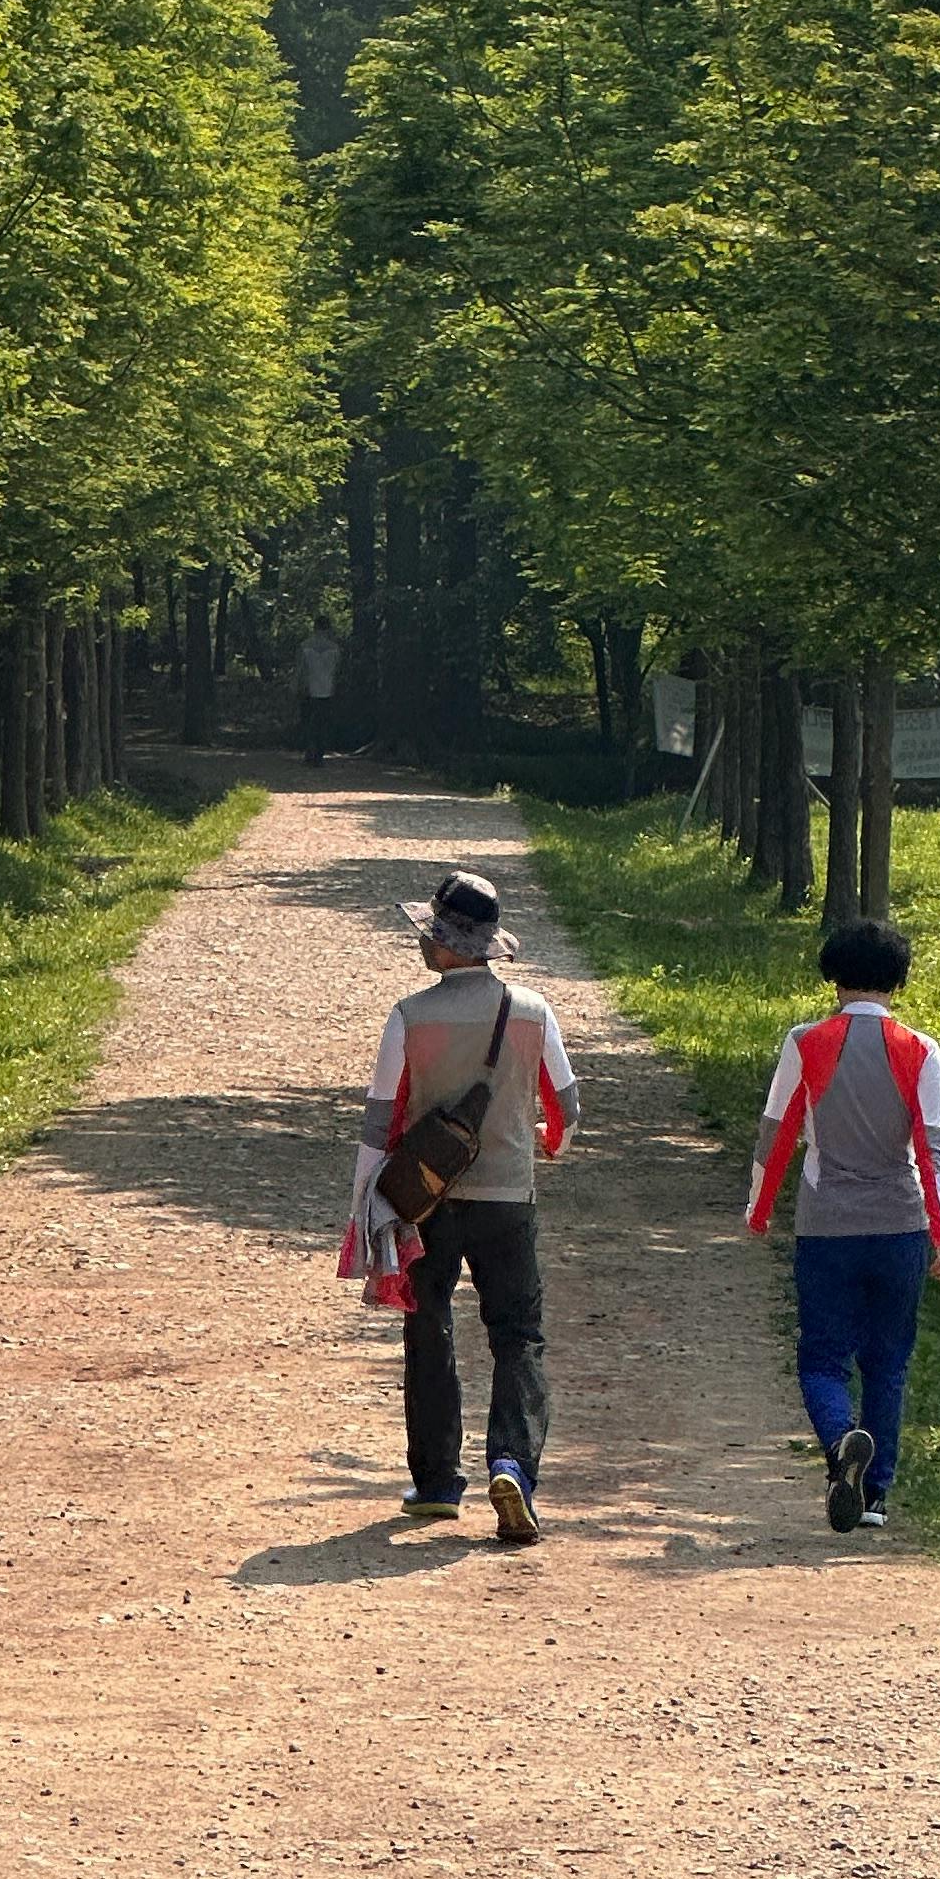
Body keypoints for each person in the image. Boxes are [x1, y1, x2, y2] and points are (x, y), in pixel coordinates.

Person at [342, 868, 579, 1541]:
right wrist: (544, 1142)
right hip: (508, 1199)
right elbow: (566, 1108)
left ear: (447, 944)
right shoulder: (533, 1011)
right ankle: (513, 1465)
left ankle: (437, 1483)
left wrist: (367, 1211)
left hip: (425, 1200)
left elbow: (380, 1122)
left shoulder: (408, 1017)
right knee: (518, 1334)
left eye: (429, 935)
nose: (422, 943)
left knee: (428, 1325)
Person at [745, 915, 940, 1531]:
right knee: (887, 1363)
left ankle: (842, 1441)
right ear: (898, 980)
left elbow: (777, 1130)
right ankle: (874, 1497)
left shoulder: (805, 1042)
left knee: (821, 1358)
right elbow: (935, 1147)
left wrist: (759, 1207)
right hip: (901, 1226)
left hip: (827, 1225)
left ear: (834, 976)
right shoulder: (920, 1049)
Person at [297, 620, 342, 765]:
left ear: (315, 628)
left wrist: (297, 686)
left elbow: (301, 670)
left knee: (308, 722)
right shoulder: (334, 648)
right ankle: (319, 754)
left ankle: (309, 751)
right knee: (323, 723)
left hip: (309, 690)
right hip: (327, 690)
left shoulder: (304, 646)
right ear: (328, 629)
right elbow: (337, 671)